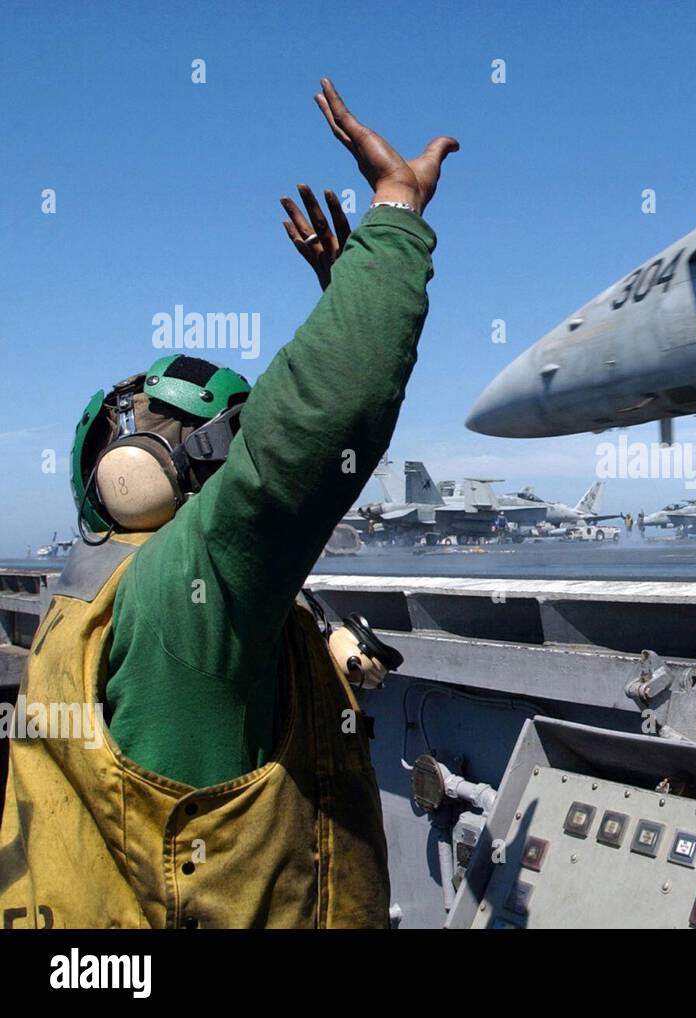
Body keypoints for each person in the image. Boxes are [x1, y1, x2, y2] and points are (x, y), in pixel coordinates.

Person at [0, 80, 458, 929]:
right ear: (151, 474)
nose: (239, 463)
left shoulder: (89, 597)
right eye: (226, 445)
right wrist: (397, 212)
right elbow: (313, 431)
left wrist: (340, 298)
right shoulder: (186, 595)